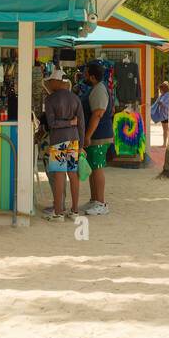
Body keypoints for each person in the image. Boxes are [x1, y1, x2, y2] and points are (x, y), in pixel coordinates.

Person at [42, 66, 87, 220]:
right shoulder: (75, 98)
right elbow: (81, 124)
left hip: (58, 140)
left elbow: (52, 124)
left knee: (59, 175)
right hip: (74, 139)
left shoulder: (50, 99)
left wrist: (66, 123)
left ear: (55, 82)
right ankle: (74, 211)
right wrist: (81, 146)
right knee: (73, 174)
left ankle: (58, 212)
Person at [81, 61, 113, 215]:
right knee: (93, 168)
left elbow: (98, 113)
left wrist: (88, 135)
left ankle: (101, 203)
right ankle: (94, 200)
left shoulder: (99, 90)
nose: (84, 76)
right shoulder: (96, 88)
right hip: (96, 135)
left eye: (86, 74)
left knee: (97, 168)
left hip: (99, 136)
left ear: (93, 77)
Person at [149, 81, 169, 146]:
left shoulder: (168, 95)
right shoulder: (162, 96)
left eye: (161, 90)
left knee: (166, 130)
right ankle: (165, 143)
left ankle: (165, 144)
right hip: (163, 115)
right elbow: (157, 103)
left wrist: (161, 103)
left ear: (164, 89)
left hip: (167, 115)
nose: (160, 91)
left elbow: (167, 105)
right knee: (165, 130)